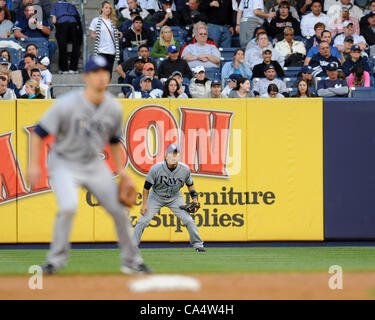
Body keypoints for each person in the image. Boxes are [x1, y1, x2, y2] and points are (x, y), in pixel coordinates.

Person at [26, 55, 152, 275]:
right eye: (96, 73)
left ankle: (132, 262)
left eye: (104, 72)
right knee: (68, 207)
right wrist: (34, 165)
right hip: (64, 162)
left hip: (93, 164)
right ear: (86, 77)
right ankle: (55, 261)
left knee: (119, 211)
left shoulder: (113, 108)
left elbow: (113, 141)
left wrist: (122, 171)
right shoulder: (67, 104)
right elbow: (38, 134)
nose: (101, 77)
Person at [132, 144, 205, 252]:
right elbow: (146, 188)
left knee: (188, 220)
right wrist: (144, 204)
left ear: (179, 156)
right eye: (171, 154)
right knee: (143, 221)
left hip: (175, 197)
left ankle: (198, 245)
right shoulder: (156, 168)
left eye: (175, 154)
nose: (173, 156)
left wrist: (195, 200)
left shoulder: (184, 169)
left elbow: (190, 185)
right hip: (156, 196)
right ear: (166, 156)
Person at [89, 1, 122, 75]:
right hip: (101, 50)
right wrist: (94, 35)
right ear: (102, 9)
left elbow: (117, 33)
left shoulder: (113, 21)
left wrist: (119, 34)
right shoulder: (96, 20)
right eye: (106, 8)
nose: (108, 10)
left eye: (110, 8)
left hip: (111, 51)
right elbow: (92, 34)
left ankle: (106, 87)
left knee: (108, 73)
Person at [50, 0, 82, 74]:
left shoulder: (55, 5)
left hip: (62, 24)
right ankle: (73, 68)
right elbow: (78, 19)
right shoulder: (72, 5)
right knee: (76, 44)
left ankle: (64, 68)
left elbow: (54, 20)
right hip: (73, 24)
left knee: (62, 45)